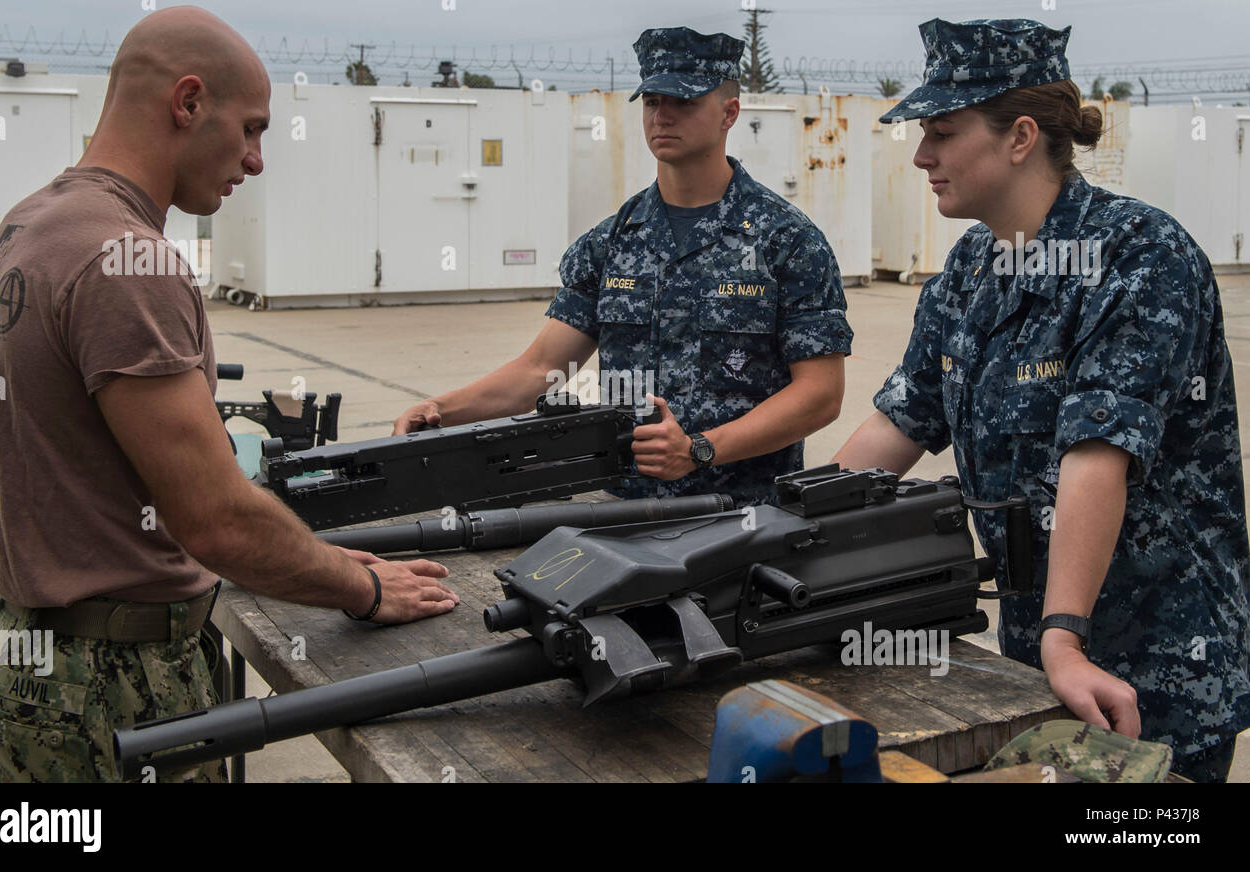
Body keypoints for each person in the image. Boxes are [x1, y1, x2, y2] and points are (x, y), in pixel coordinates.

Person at [0, 6, 458, 783]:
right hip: (113, 690)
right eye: (251, 129)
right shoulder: (130, 262)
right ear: (188, 103)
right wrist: (359, 586)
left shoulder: (23, 228)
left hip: (19, 669)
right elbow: (216, 521)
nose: (256, 161)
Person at [834, 17, 1249, 781]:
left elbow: (1096, 458)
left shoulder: (1140, 256)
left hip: (1151, 664)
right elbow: (899, 422)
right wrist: (785, 530)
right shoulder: (970, 268)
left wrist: (1065, 637)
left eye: (943, 132)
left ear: (1020, 136)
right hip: (1040, 656)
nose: (922, 155)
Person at [394, 27, 850, 506]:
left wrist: (700, 449)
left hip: (744, 516)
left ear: (729, 113)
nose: (662, 116)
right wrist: (440, 409)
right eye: (652, 101)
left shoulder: (787, 240)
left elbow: (820, 394)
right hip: (624, 511)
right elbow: (541, 369)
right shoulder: (611, 242)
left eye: (684, 102)